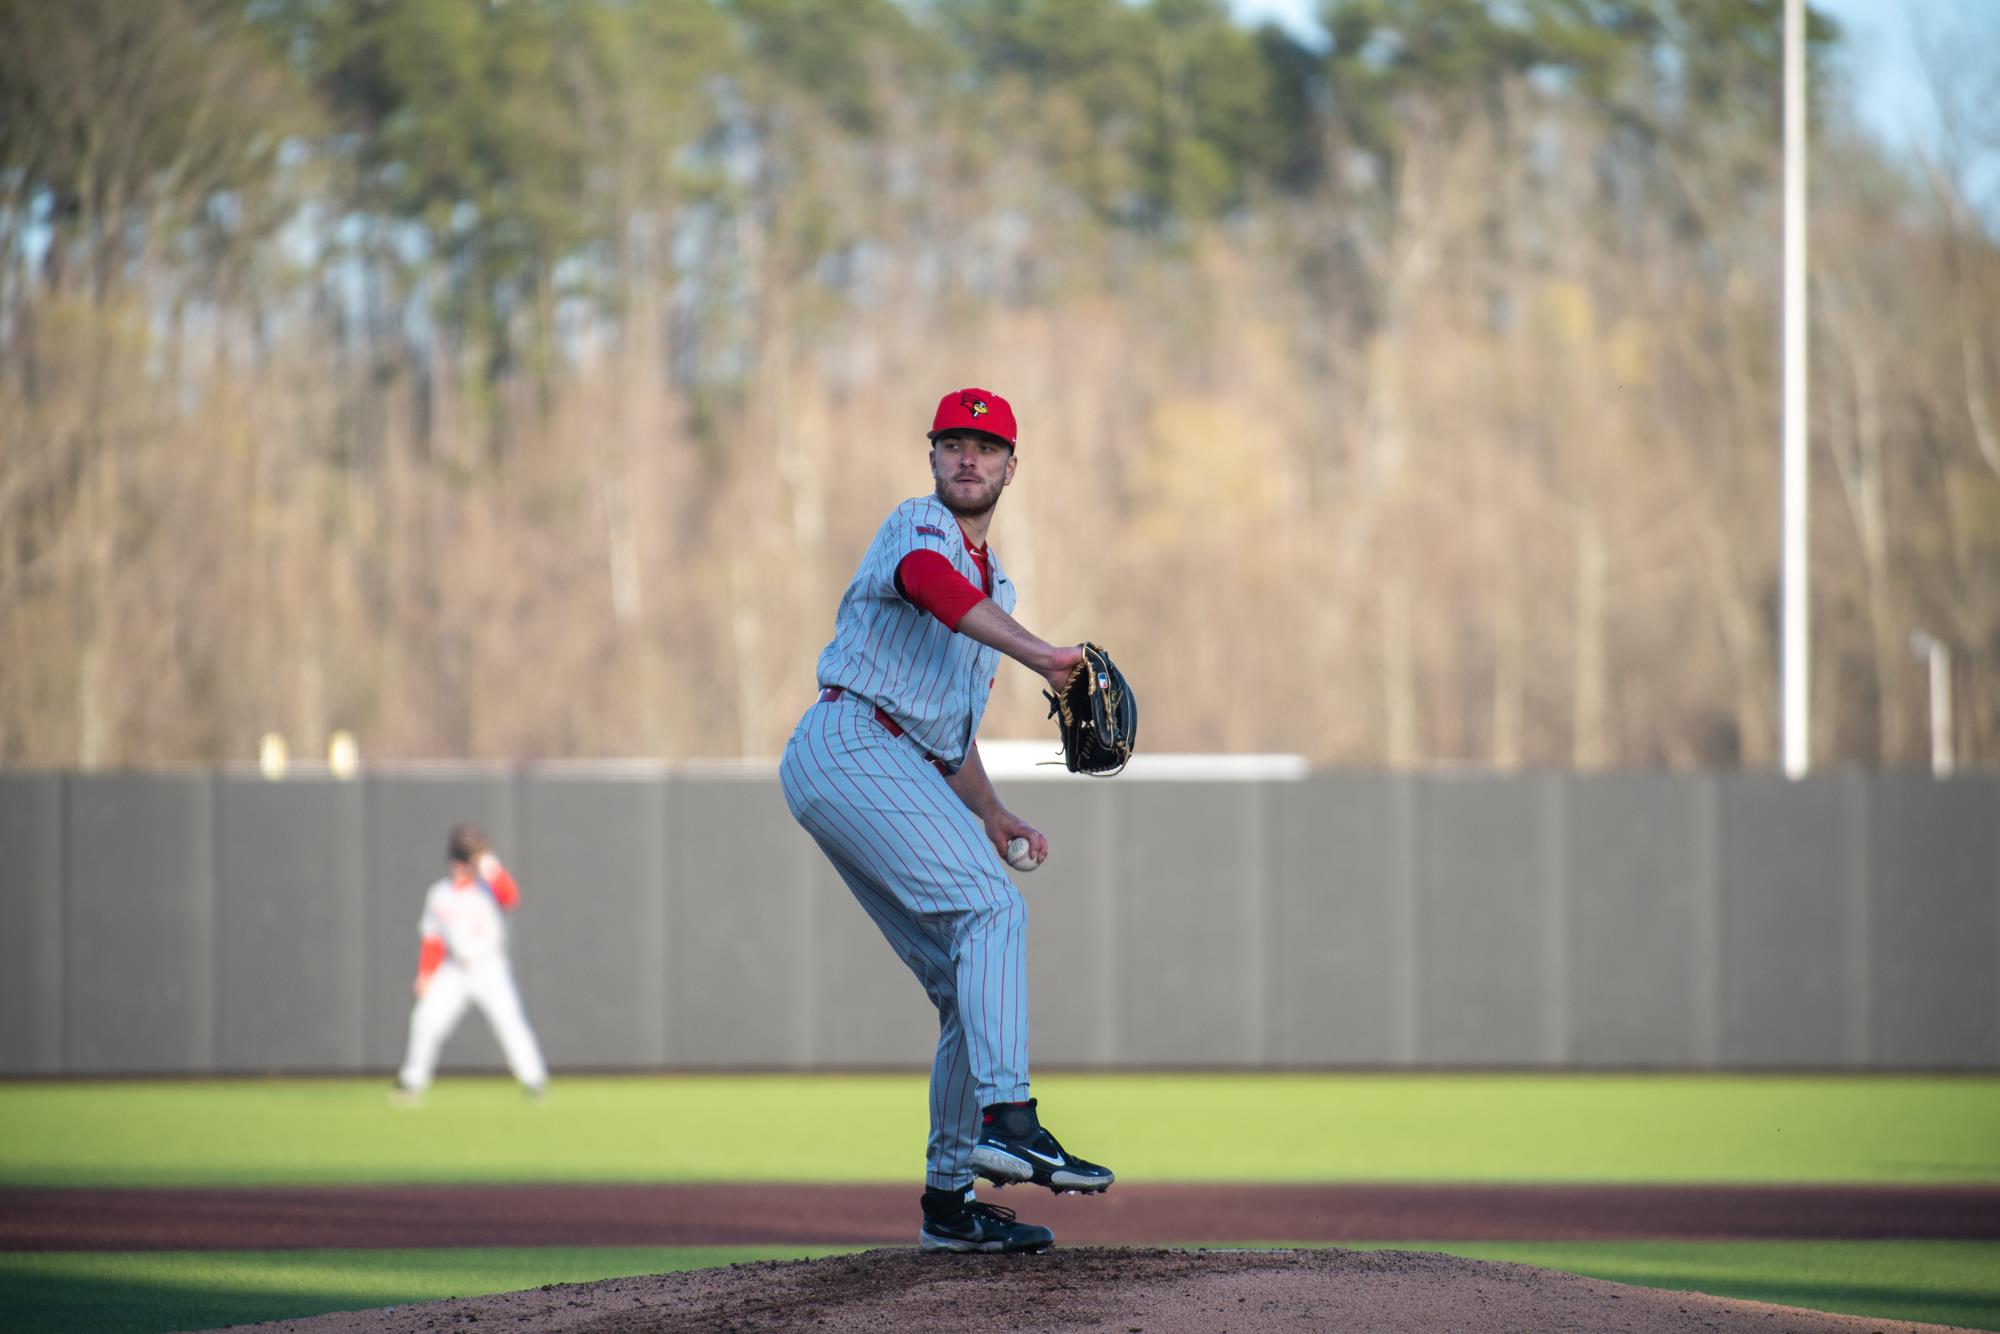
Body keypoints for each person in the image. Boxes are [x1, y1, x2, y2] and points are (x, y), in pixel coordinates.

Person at [779, 386, 1113, 1255]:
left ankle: (948, 1206)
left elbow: (943, 734)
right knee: (993, 911)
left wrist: (996, 812)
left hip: (893, 756)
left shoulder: (997, 585)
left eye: (987, 446)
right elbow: (929, 588)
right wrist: (1042, 652)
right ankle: (1009, 1119)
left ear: (1011, 466)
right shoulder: (915, 528)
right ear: (932, 457)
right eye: (954, 443)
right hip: (848, 738)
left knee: (969, 981)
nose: (969, 457)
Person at [389, 824, 548, 1106]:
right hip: (454, 969)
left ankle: (533, 1079)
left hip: (489, 967)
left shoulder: (486, 886)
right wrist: (425, 973)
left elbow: (510, 896)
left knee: (509, 1022)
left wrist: (487, 861)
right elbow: (433, 938)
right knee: (425, 1019)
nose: (463, 865)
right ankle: (412, 1080)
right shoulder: (440, 893)